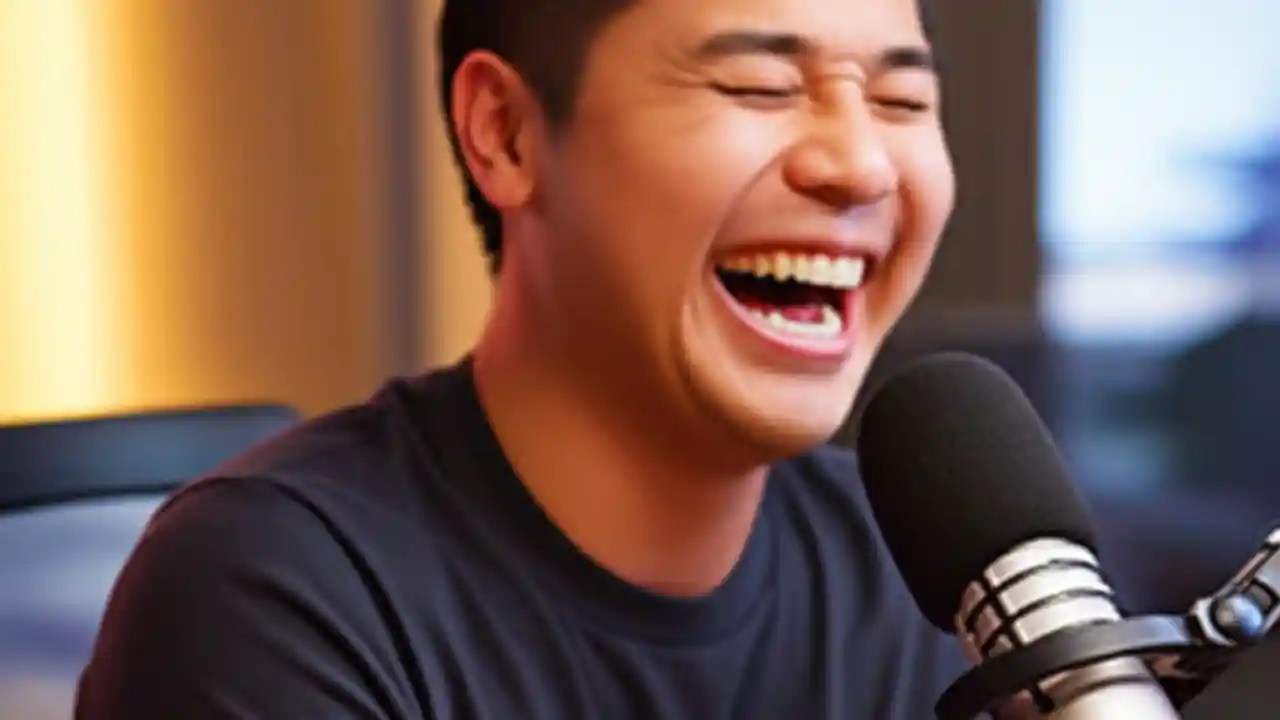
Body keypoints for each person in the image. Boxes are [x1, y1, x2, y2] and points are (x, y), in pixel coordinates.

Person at [77, 0, 961, 716]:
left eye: (902, 102)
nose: (862, 166)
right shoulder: (274, 593)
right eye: (758, 86)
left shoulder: (932, 578)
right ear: (505, 133)